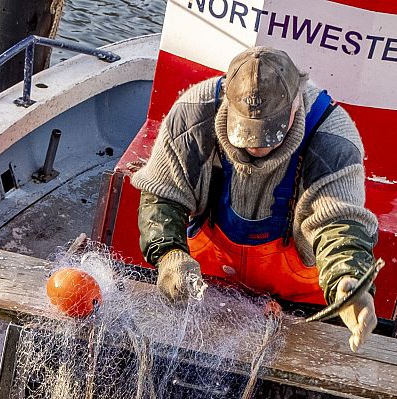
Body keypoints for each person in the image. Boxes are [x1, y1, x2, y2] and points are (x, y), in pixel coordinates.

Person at [131, 47, 379, 350]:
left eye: (268, 133)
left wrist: (346, 282)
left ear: (296, 101)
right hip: (207, 290)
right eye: (246, 132)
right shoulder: (193, 113)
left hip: (297, 305)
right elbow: (162, 196)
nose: (256, 147)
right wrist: (169, 255)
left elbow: (338, 225)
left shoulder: (332, 136)